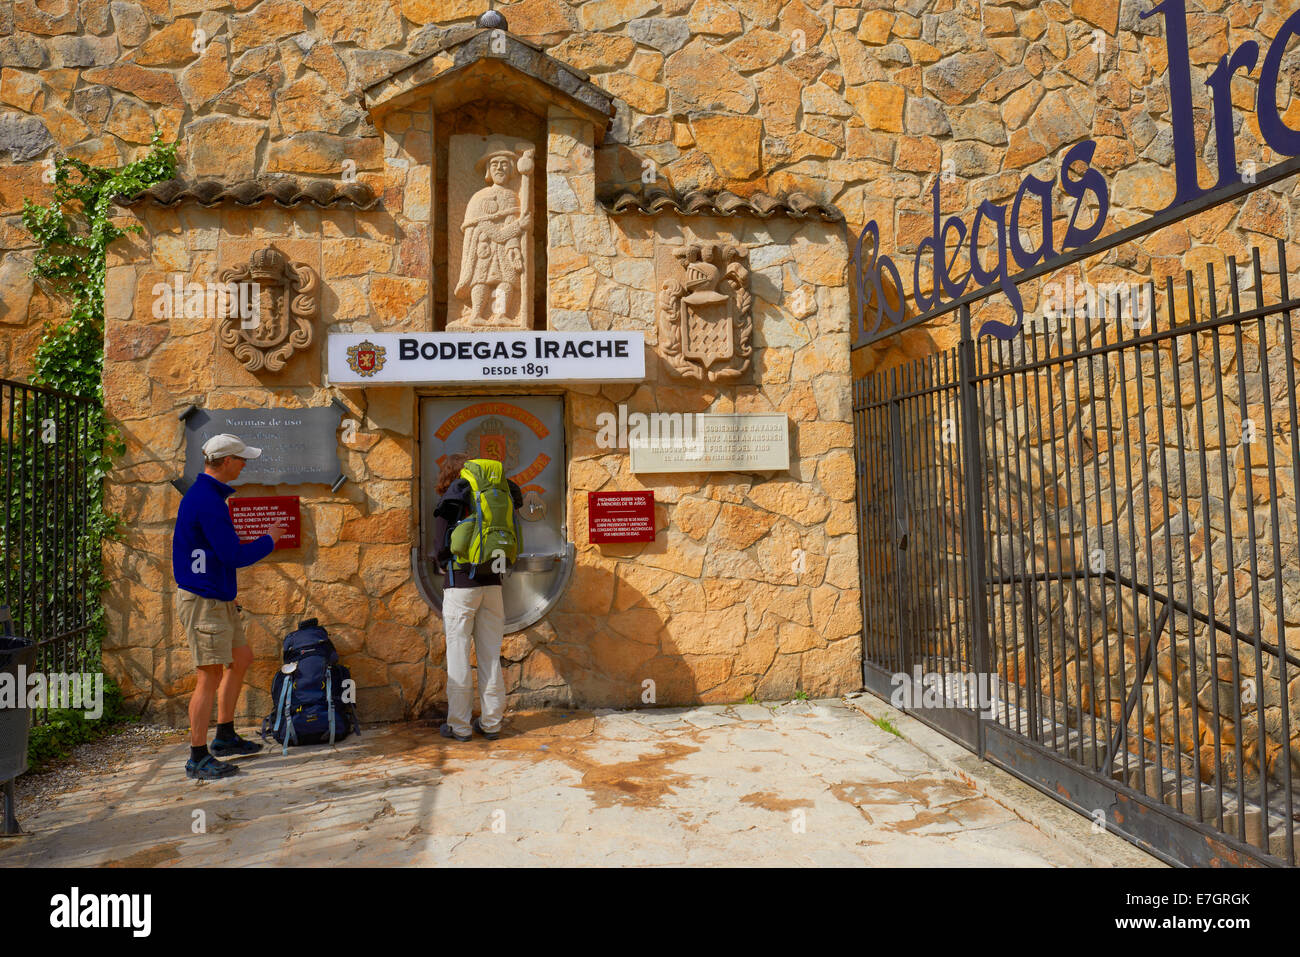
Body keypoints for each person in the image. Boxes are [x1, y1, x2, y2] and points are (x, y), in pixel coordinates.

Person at [172, 434, 285, 779]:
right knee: (208, 675)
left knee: (241, 658)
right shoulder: (207, 500)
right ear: (225, 462)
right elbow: (232, 555)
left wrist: (226, 591)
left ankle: (224, 736)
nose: (245, 464)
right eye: (241, 459)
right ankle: (197, 756)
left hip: (216, 596)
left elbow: (211, 555)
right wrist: (270, 539)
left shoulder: (207, 496)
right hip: (204, 601)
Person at [431, 453, 523, 742]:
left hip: (460, 586)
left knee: (458, 657)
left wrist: (446, 562)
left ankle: (459, 727)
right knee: (489, 656)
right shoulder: (494, 496)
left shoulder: (454, 496)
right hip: (493, 585)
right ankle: (492, 723)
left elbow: (439, 548)